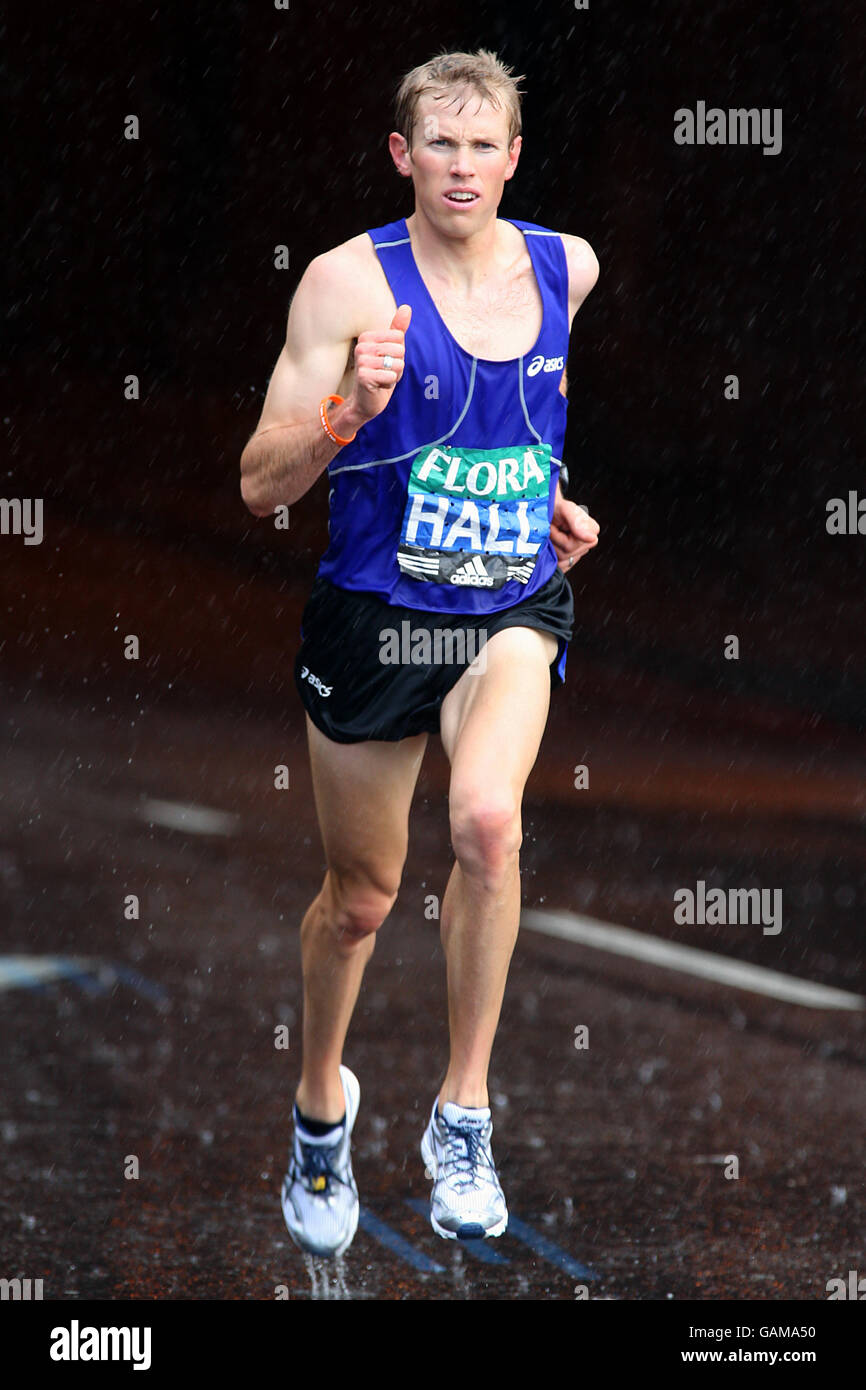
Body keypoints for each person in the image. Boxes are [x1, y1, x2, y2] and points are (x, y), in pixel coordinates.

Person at [240, 49, 600, 1256]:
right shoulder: (347, 285)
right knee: (361, 900)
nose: (459, 166)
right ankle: (319, 1112)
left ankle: (463, 1111)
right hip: (374, 617)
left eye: (480, 144)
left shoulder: (565, 268)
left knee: (489, 821)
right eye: (434, 145)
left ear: (512, 157)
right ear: (403, 156)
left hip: (507, 606)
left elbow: (517, 427)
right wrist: (349, 404)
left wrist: (551, 500)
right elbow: (258, 484)